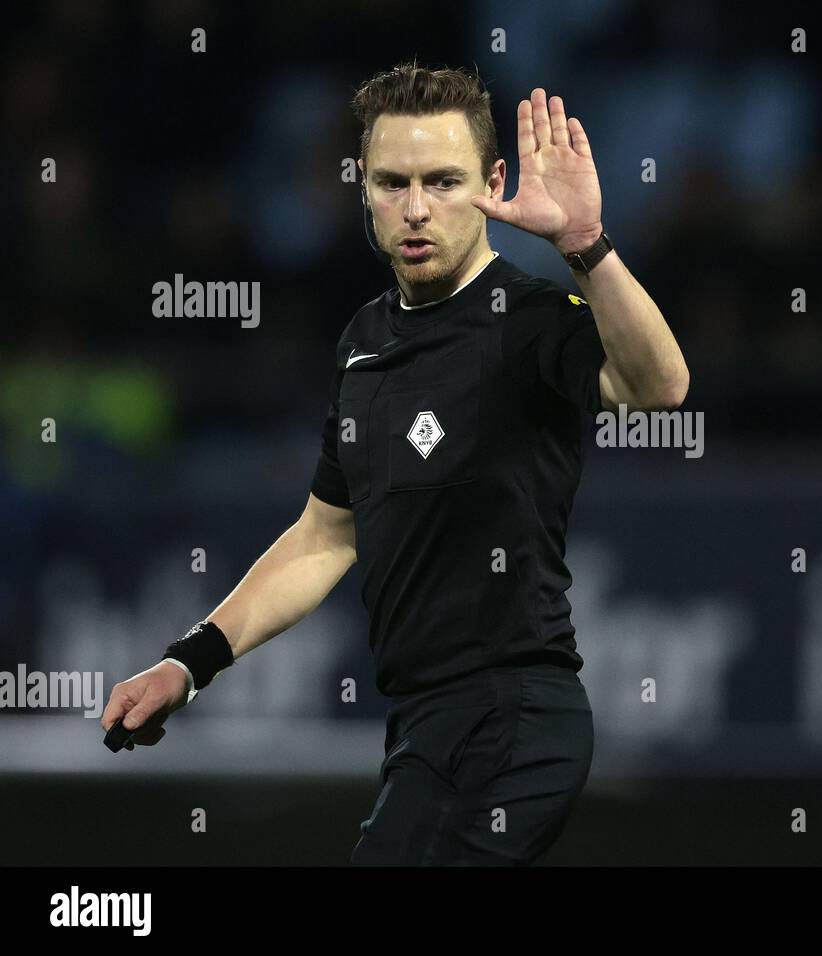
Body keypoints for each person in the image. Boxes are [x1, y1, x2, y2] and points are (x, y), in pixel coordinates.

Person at [100, 62, 689, 865]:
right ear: (364, 191)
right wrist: (187, 663)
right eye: (392, 182)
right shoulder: (364, 344)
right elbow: (324, 537)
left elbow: (660, 386)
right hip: (423, 724)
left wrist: (587, 248)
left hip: (511, 719)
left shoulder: (532, 321)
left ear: (493, 182)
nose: (415, 208)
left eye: (443, 182)